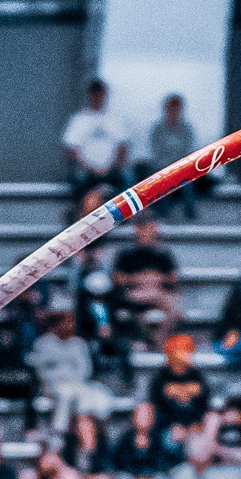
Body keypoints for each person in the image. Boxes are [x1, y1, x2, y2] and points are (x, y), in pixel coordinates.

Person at [112, 218, 183, 347]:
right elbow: (116, 278)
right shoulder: (126, 254)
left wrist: (155, 279)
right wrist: (139, 279)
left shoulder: (163, 254)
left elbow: (173, 277)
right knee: (166, 301)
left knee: (175, 304)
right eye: (147, 229)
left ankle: (158, 339)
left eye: (153, 229)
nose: (151, 233)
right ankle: (152, 341)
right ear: (137, 231)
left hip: (157, 292)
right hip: (133, 293)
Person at [63, 79, 129, 196]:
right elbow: (71, 149)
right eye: (95, 94)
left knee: (128, 182)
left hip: (111, 171)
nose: (98, 97)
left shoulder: (114, 119)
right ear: (90, 95)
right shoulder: (79, 119)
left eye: (101, 94)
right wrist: (91, 168)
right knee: (78, 181)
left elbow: (123, 147)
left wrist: (110, 168)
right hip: (86, 173)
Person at [143, 94, 202, 220]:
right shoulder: (157, 129)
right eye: (171, 108)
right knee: (164, 181)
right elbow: (155, 152)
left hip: (182, 168)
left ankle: (190, 217)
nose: (173, 111)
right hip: (162, 168)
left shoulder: (187, 129)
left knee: (187, 182)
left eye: (177, 108)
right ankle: (162, 216)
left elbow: (188, 152)